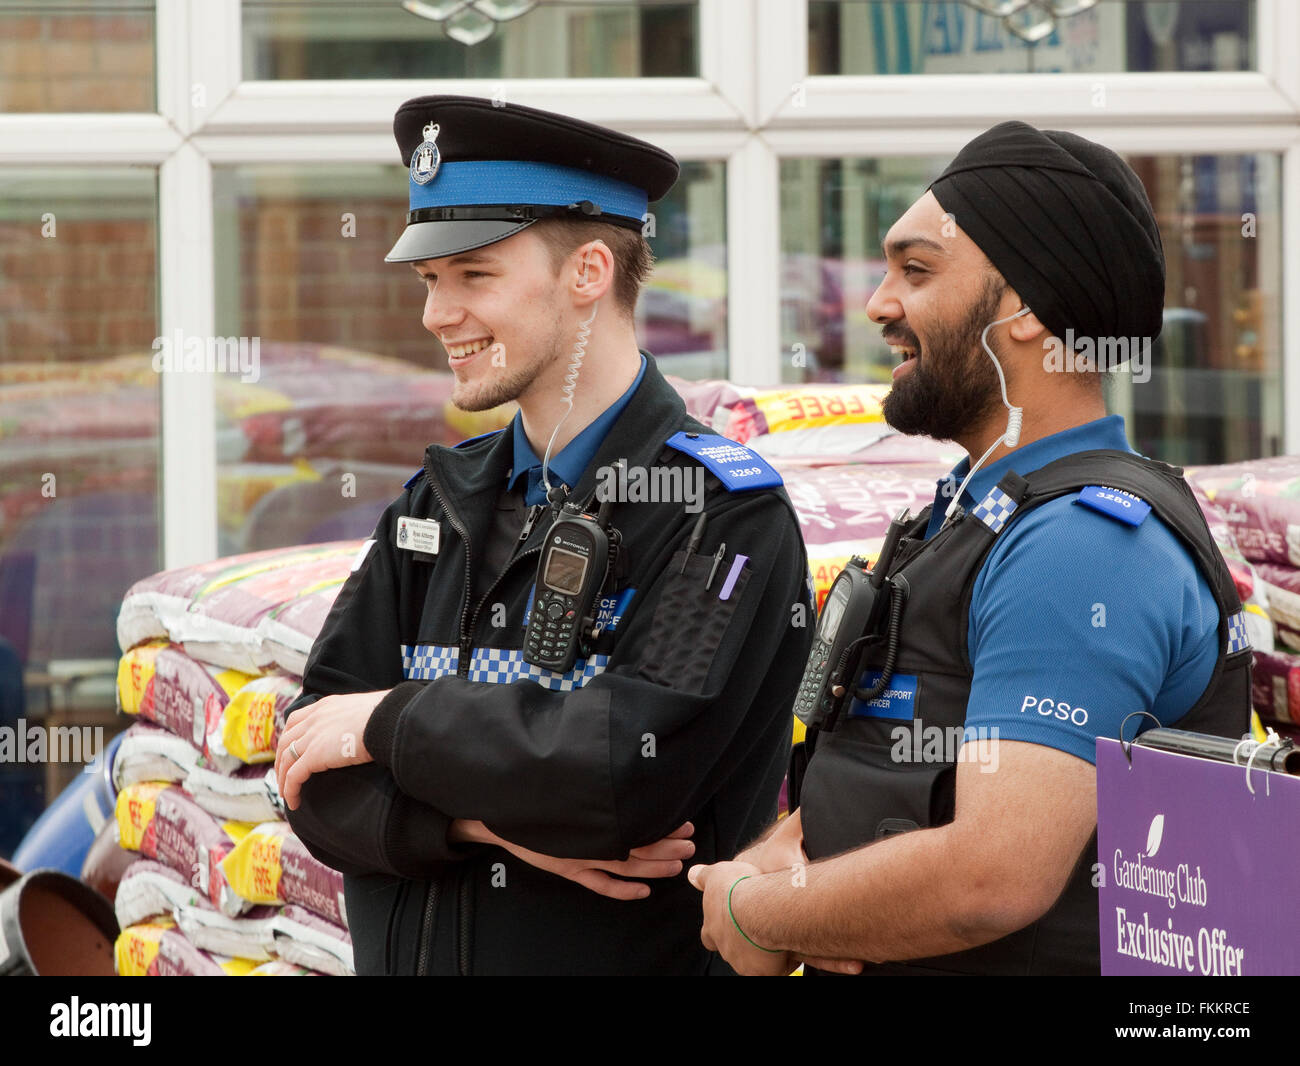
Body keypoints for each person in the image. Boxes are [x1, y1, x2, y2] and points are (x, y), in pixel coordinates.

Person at [689, 120, 1252, 976]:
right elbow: (875, 761)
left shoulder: (1081, 546)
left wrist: (764, 913)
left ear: (1027, 308)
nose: (878, 304)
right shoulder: (970, 514)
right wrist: (774, 865)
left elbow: (992, 878)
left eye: (916, 271)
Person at [272, 95, 813, 975]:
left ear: (589, 271)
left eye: (473, 276)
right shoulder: (434, 506)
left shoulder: (719, 515)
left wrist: (389, 723)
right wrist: (480, 827)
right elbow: (309, 770)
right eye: (428, 283)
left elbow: (618, 775)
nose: (436, 316)